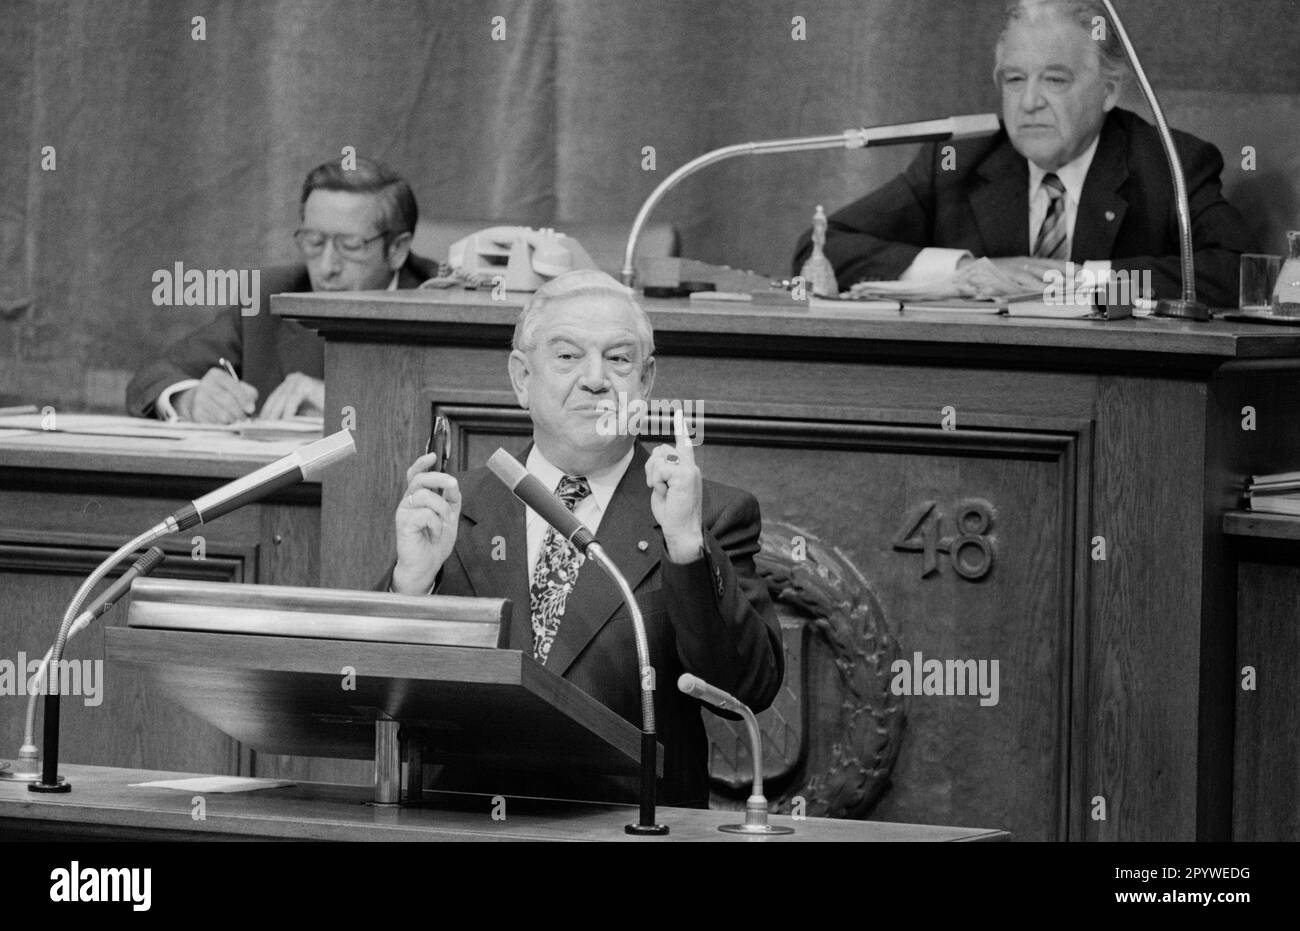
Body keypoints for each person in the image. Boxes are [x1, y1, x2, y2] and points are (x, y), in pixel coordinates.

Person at [386, 269, 784, 806]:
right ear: (522, 378)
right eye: (568, 356)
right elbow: (378, 694)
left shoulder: (706, 512)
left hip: (632, 828)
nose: (596, 380)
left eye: (618, 360)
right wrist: (413, 585)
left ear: (645, 382)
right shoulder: (454, 505)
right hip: (464, 823)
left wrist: (686, 545)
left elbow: (748, 689)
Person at [792, 0, 1256, 308]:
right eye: (1015, 80)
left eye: (1054, 79)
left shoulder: (1168, 165)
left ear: (1109, 90)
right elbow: (824, 248)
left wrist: (1073, 282)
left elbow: (1239, 274)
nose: (1029, 101)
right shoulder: (960, 162)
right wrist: (966, 271)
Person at [126, 158, 437, 422]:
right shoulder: (270, 296)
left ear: (397, 249)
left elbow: (460, 425)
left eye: (350, 246)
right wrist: (190, 399)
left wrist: (343, 405)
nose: (327, 266)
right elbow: (153, 377)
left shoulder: (444, 306)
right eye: (314, 242)